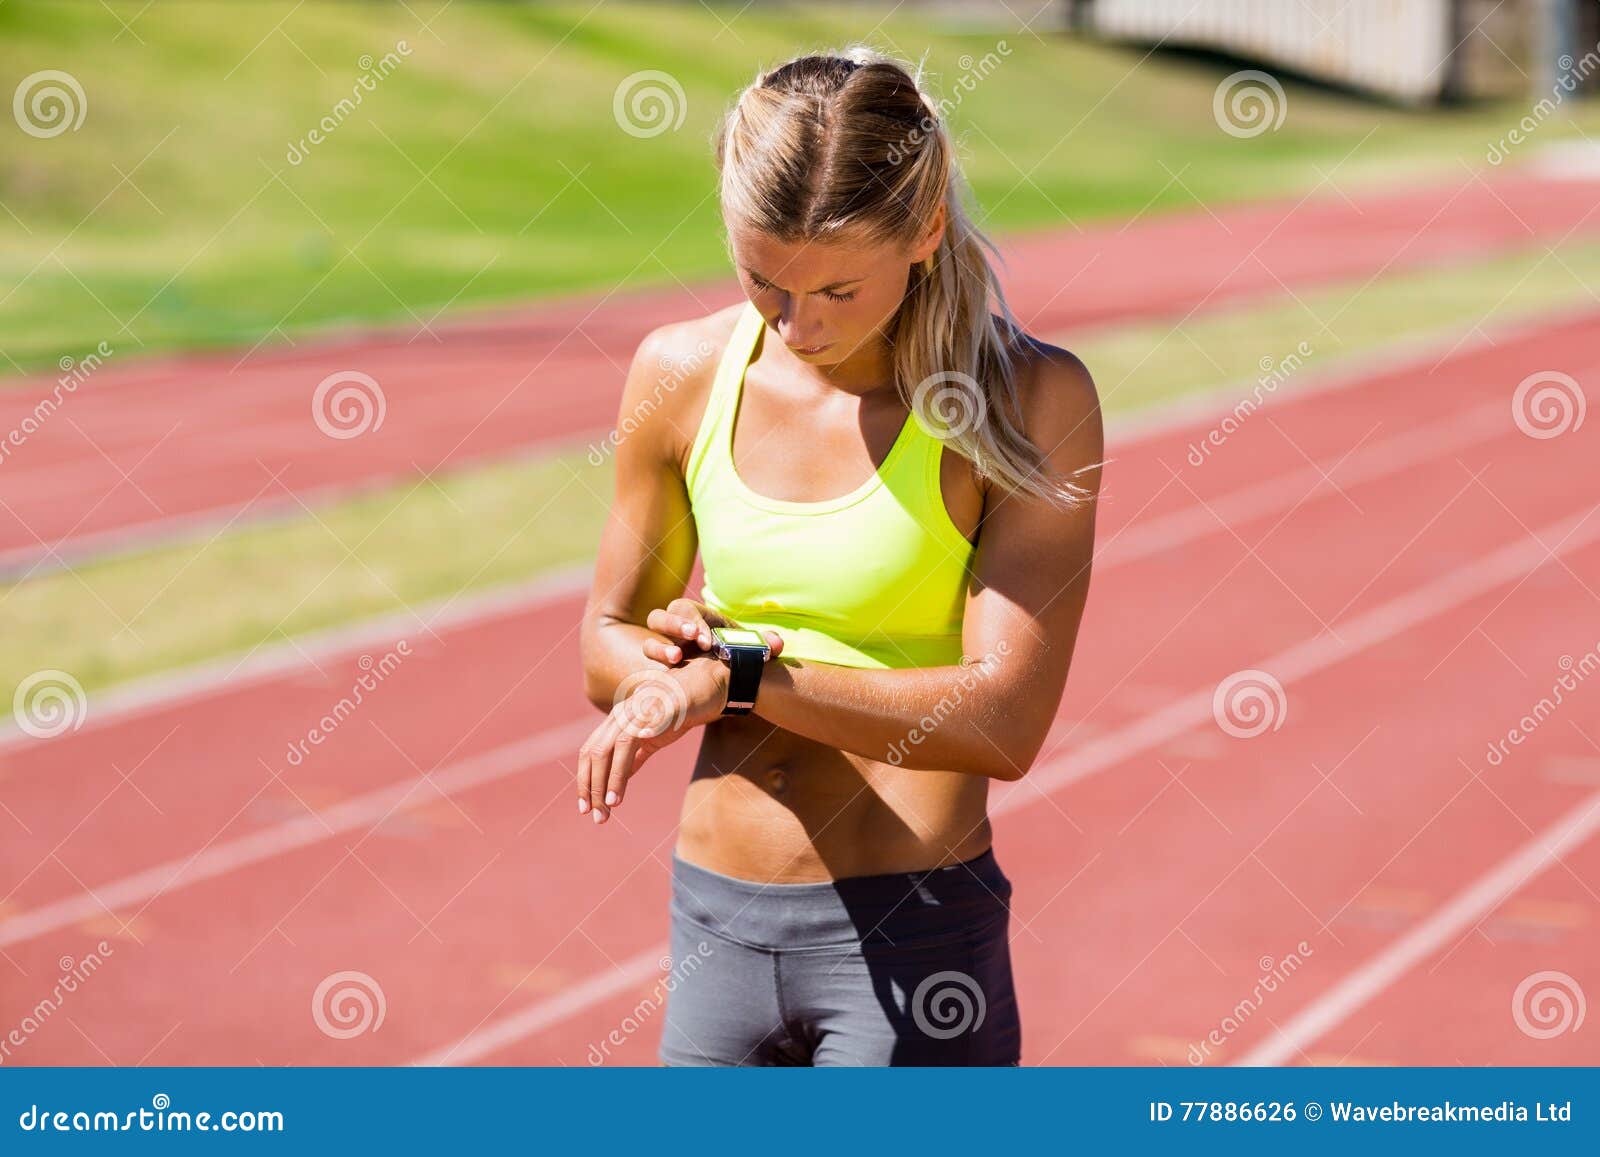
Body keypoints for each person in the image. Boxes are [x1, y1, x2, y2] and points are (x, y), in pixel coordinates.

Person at [577, 45, 1103, 1066]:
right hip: (714, 930)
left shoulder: (1028, 401)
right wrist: (668, 670)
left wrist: (738, 680)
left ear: (926, 228)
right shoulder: (679, 372)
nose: (797, 323)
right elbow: (605, 641)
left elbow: (1004, 720)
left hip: (912, 949)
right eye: (762, 280)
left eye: (839, 290)